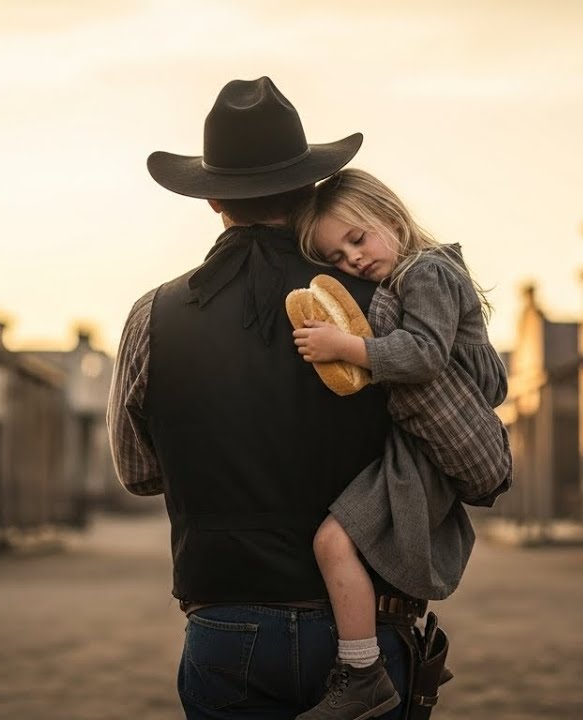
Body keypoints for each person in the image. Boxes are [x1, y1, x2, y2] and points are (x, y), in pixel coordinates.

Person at [109, 77, 423, 720]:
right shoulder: (385, 304)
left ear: (212, 197)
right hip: (366, 629)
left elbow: (138, 473)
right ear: (311, 189)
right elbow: (464, 462)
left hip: (225, 622)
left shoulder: (153, 316)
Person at [290, 168, 512, 719]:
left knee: (333, 542)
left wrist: (343, 343)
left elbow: (424, 355)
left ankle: (364, 674)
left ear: (389, 215)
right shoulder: (411, 278)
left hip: (433, 450)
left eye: (357, 239)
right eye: (337, 258)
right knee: (346, 543)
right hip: (421, 443)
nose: (353, 260)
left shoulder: (427, 273)